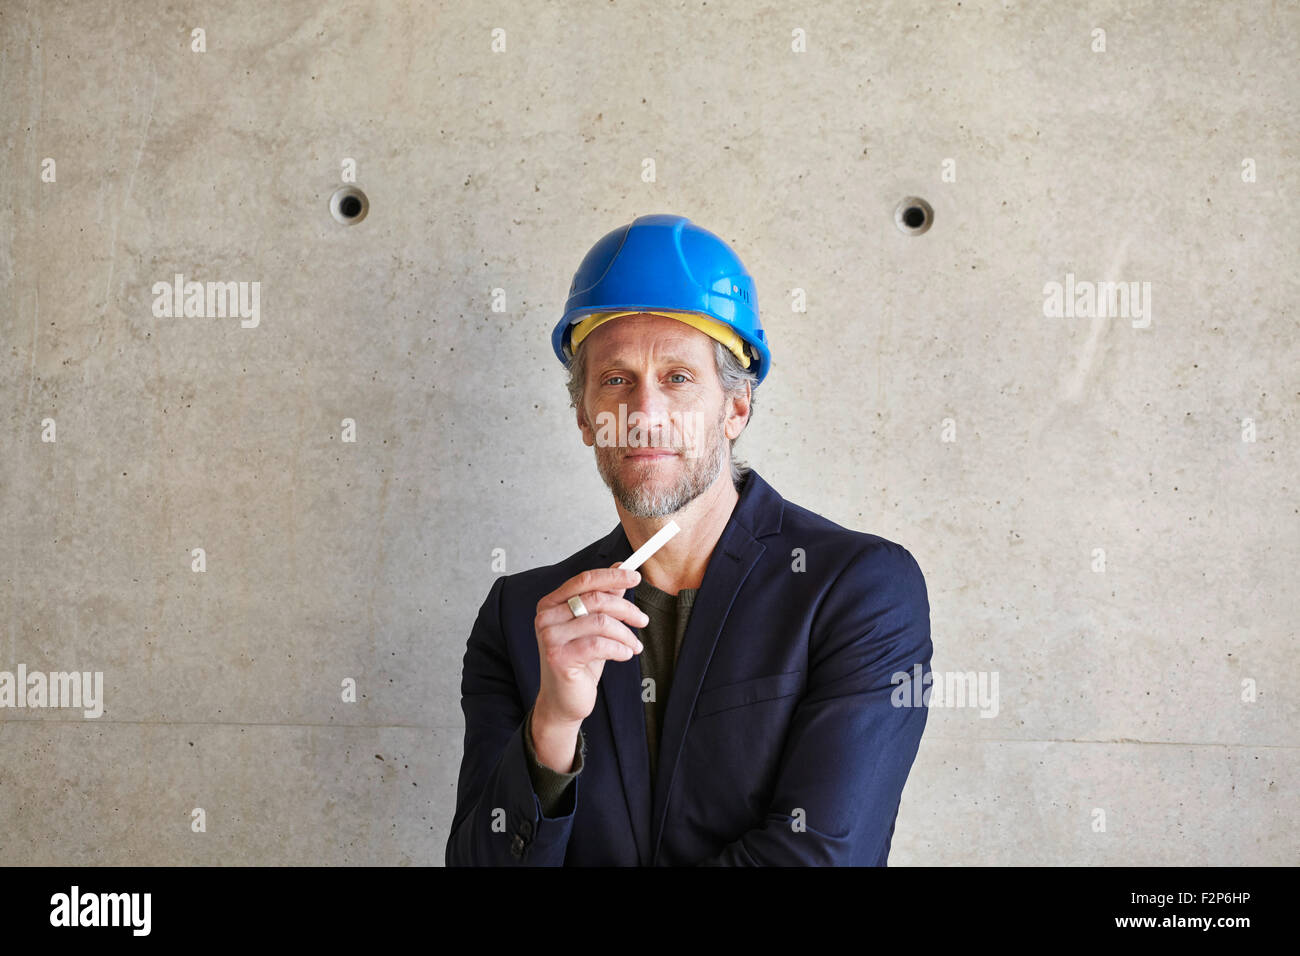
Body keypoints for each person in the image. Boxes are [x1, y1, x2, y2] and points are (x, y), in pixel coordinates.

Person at [445, 214, 932, 865]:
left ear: (735, 409)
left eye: (677, 378)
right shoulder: (521, 618)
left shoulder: (859, 588)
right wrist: (553, 726)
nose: (644, 415)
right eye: (617, 381)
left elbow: (820, 855)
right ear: (587, 419)